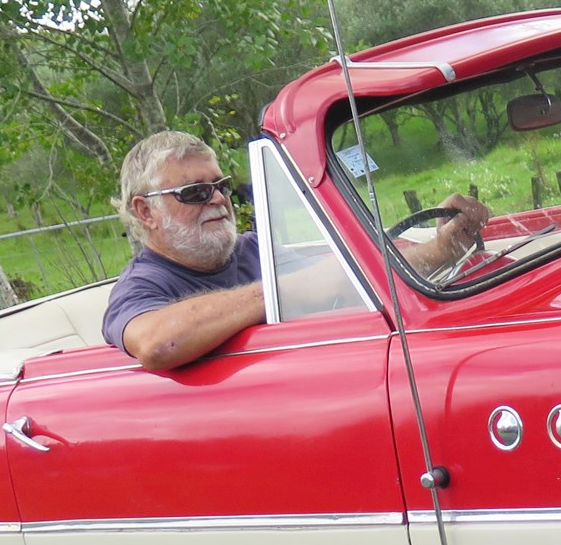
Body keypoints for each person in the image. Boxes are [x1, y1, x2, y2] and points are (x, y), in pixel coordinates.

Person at [102, 131, 488, 371]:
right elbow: (157, 344)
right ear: (145, 211)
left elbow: (342, 280)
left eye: (220, 185)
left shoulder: (252, 249)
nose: (218, 199)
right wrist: (279, 292)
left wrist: (442, 248)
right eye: (194, 192)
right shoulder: (140, 287)